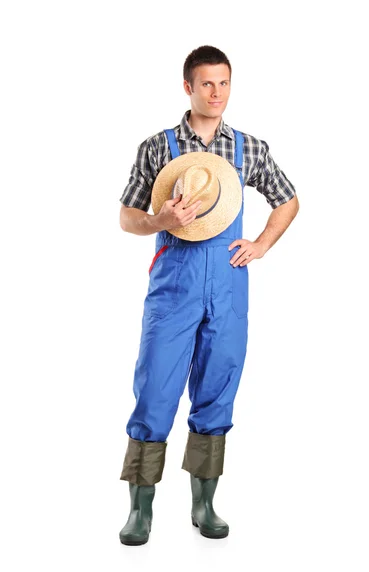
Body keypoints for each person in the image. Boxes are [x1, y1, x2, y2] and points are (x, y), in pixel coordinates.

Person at [118, 45, 299, 545]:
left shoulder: (249, 149)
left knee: (218, 392)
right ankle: (141, 509)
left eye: (224, 83)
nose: (216, 93)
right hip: (173, 287)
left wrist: (261, 244)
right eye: (206, 84)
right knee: (155, 392)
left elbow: (288, 199)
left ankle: (204, 502)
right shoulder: (157, 147)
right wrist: (159, 220)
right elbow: (126, 217)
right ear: (188, 87)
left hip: (229, 285)